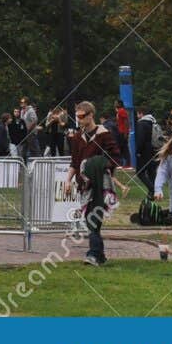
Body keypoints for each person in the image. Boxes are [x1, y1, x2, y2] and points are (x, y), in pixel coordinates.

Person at [66, 100, 121, 266]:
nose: (79, 119)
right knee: (91, 217)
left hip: (100, 184)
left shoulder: (104, 134)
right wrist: (68, 180)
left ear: (91, 115)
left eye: (82, 116)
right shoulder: (77, 137)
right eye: (77, 117)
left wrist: (100, 165)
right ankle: (100, 255)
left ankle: (93, 254)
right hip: (84, 184)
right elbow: (74, 162)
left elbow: (115, 157)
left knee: (92, 218)